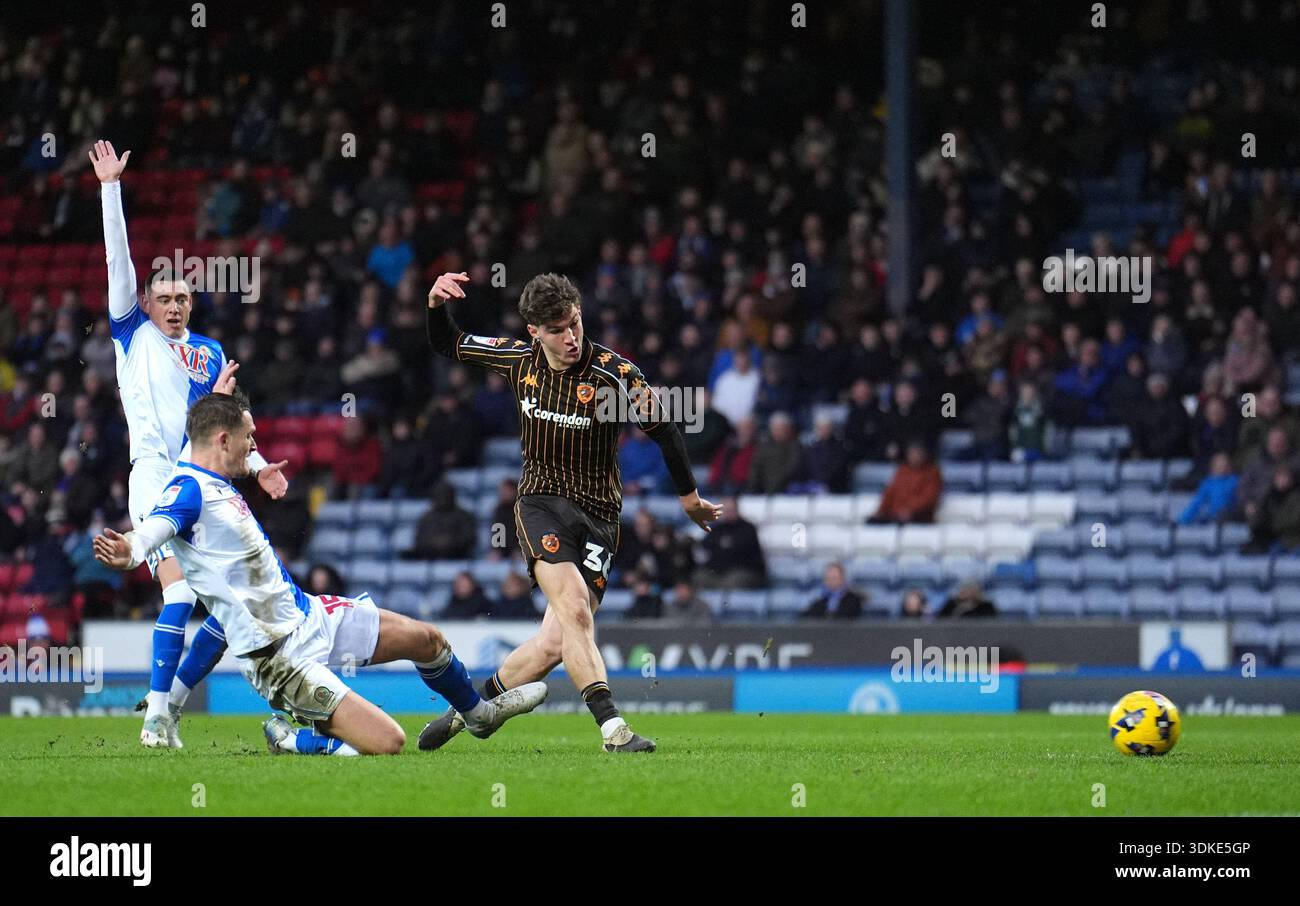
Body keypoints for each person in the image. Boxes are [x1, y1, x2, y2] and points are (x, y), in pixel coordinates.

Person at [93, 392, 546, 755]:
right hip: (280, 659)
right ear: (223, 439)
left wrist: (220, 399)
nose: (255, 447)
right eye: (249, 436)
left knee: (427, 640)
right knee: (389, 743)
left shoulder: (216, 483)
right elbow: (154, 529)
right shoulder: (188, 490)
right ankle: (293, 739)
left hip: (309, 614)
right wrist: (130, 550)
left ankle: (479, 716)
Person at [420, 272, 721, 753]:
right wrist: (435, 303)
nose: (572, 336)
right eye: (559, 328)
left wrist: (687, 496)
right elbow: (448, 344)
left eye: (576, 323)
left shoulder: (613, 376)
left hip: (600, 518)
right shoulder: (519, 361)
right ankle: (613, 729)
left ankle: (468, 713)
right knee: (576, 609)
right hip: (540, 505)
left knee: (554, 644)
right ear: (535, 331)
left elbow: (664, 428)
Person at [92, 140, 288, 749]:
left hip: (201, 482)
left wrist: (255, 464)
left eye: (183, 298)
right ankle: (154, 719)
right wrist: (110, 188)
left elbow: (218, 430)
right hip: (154, 476)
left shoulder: (205, 355)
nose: (174, 307)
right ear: (145, 303)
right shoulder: (132, 334)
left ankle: (171, 711)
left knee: (232, 611)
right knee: (178, 592)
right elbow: (117, 259)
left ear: (191, 303)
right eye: (164, 298)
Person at [869, 443, 943, 524]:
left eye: (917, 454)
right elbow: (890, 492)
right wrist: (882, 510)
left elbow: (929, 498)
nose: (914, 457)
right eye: (912, 454)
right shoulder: (903, 470)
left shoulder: (932, 472)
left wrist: (909, 510)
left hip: (920, 515)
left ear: (924, 455)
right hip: (896, 513)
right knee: (873, 521)